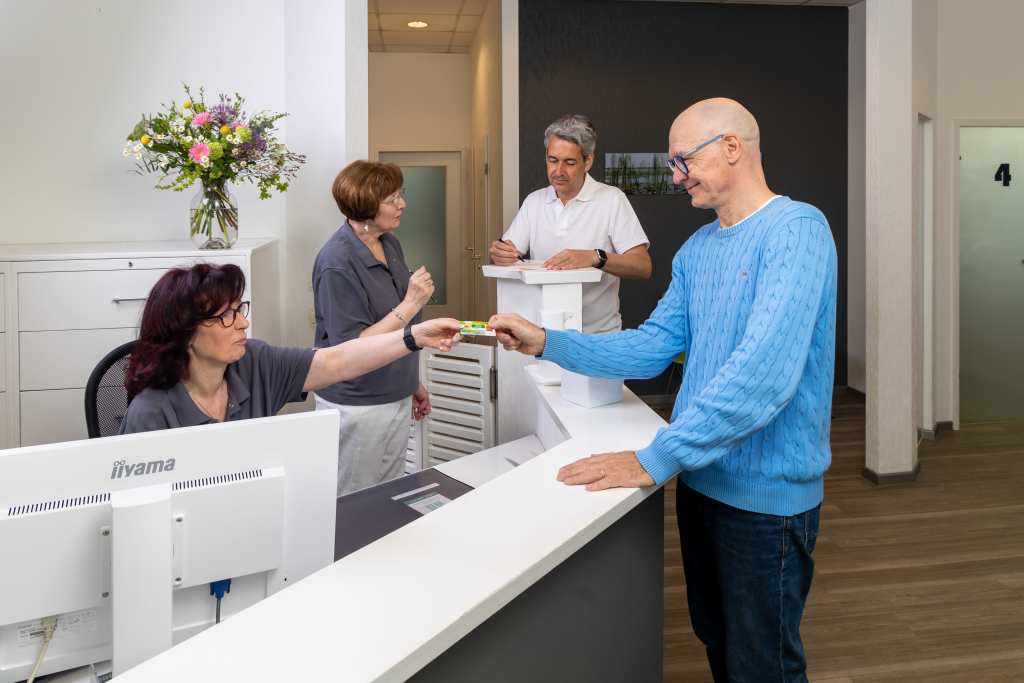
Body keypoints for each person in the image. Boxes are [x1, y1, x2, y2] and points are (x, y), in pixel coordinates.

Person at [489, 98, 837, 682]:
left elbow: (763, 377)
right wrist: (547, 341)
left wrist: (657, 458)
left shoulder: (797, 230)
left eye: (682, 161)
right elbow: (651, 346)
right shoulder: (699, 249)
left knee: (763, 665)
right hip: (702, 483)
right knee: (719, 643)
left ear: (732, 147)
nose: (676, 176)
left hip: (766, 500)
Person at [120, 262, 459, 434]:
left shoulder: (254, 362)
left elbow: (336, 361)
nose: (242, 323)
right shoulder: (151, 412)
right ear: (184, 331)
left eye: (239, 310)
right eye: (225, 316)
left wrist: (415, 335)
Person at [311, 160, 437, 496]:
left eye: (401, 194)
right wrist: (412, 303)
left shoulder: (388, 243)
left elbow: (395, 329)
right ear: (366, 208)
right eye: (392, 198)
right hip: (357, 406)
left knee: (387, 496)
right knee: (354, 504)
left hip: (393, 394)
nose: (403, 204)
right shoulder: (336, 263)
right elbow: (351, 348)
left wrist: (411, 383)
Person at [488, 114, 652, 333]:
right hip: (541, 336)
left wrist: (595, 257)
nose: (558, 171)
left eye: (569, 162)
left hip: (597, 337)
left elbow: (642, 266)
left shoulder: (612, 199)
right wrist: (500, 253)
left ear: (588, 161)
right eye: (552, 160)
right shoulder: (534, 201)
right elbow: (507, 252)